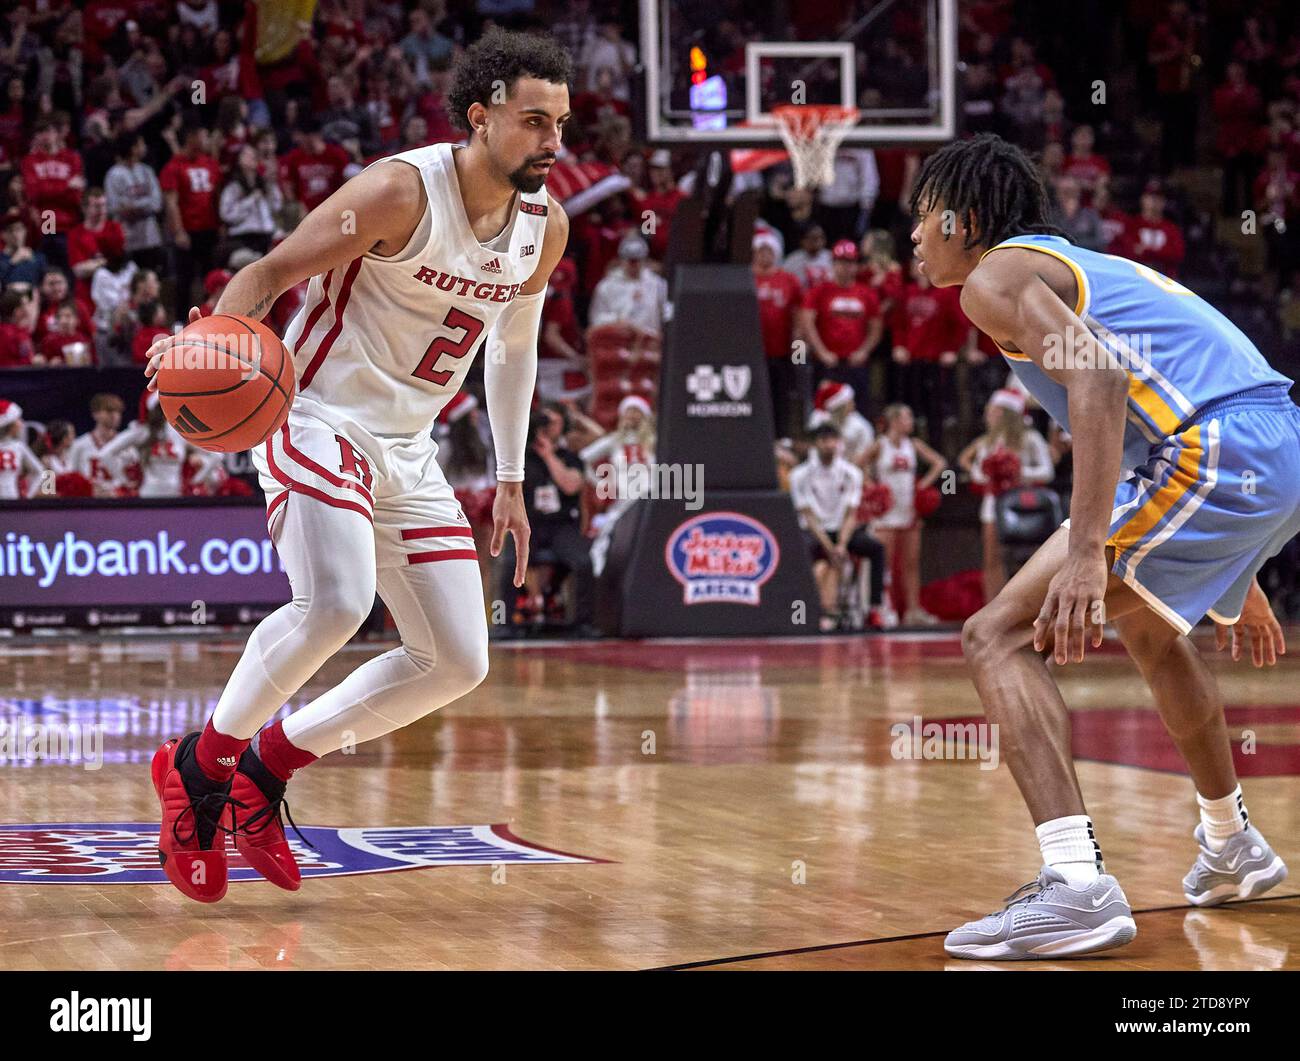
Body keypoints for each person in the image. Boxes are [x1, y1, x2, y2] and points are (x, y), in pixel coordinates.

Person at [141, 28, 573, 904]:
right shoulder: (397, 192)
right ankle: (200, 768)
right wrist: (202, 343)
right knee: (335, 601)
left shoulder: (545, 228)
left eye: (561, 123)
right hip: (315, 412)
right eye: (535, 122)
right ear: (481, 118)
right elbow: (266, 274)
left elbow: (513, 350)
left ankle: (266, 763)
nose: (554, 143)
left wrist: (513, 479)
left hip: (407, 449)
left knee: (457, 659)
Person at [910, 132, 1295, 960]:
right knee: (1153, 629)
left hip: (1212, 449)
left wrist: (1087, 550)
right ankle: (1231, 842)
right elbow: (1161, 389)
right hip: (1269, 443)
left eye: (922, 216)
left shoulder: (996, 276)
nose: (913, 236)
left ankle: (1074, 885)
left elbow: (1099, 382)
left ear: (965, 218)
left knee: (997, 635)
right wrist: (1239, 560)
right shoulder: (1078, 267)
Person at [495, 405, 594, 635]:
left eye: (554, 422)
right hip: (531, 525)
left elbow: (571, 485)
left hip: (561, 525)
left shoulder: (570, 457)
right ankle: (503, 623)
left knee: (583, 562)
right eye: (545, 422)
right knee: (507, 562)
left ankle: (583, 624)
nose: (548, 428)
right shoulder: (520, 459)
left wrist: (549, 455)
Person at [957, 388, 1054, 601]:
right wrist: (991, 475)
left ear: (1006, 413)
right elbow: (976, 471)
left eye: (993, 410)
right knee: (991, 557)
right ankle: (993, 605)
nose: (988, 415)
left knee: (1031, 558)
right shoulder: (989, 441)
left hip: (1023, 503)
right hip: (992, 503)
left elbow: (1047, 471)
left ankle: (1031, 605)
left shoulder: (1030, 437)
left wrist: (1018, 474)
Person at [790, 422, 888, 632]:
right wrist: (828, 546)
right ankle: (801, 611)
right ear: (815, 444)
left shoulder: (851, 473)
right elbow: (808, 515)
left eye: (834, 440)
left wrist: (842, 544)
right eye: (825, 441)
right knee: (800, 553)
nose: (830, 445)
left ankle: (874, 608)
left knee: (876, 548)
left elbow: (851, 514)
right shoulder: (799, 475)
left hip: (842, 530)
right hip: (815, 531)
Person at [864, 404, 947, 625]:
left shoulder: (914, 444)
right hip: (886, 514)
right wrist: (873, 488)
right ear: (894, 421)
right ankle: (884, 608)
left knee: (911, 563)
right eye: (906, 417)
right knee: (885, 565)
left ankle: (913, 610)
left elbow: (940, 463)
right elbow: (857, 465)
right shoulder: (880, 445)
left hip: (909, 511)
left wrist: (922, 486)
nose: (911, 421)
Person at [580, 393, 654, 578]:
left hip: (649, 502)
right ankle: (600, 583)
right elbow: (582, 460)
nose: (632, 416)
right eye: (628, 411)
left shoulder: (654, 442)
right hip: (622, 502)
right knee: (602, 544)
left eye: (636, 411)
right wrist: (601, 484)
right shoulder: (614, 441)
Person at [99, 393, 225, 498]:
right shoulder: (143, 432)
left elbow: (105, 454)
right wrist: (124, 482)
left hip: (169, 496)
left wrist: (195, 482)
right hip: (152, 496)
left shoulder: (176, 433)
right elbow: (217, 455)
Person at [752, 229, 806, 439]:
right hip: (754, 352)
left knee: (781, 394)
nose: (765, 255)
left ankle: (782, 435)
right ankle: (756, 436)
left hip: (782, 350)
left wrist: (798, 344)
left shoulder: (789, 280)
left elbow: (799, 311)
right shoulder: (747, 277)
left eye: (769, 250)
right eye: (761, 250)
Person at [68, 392, 126, 496]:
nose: (115, 416)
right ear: (95, 414)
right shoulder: (79, 445)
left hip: (119, 502)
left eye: (118, 412)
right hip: (88, 502)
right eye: (109, 411)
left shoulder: (127, 445)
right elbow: (70, 476)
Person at [0, 399, 43, 499]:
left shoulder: (18, 447)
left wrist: (27, 496)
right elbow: (39, 471)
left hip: (11, 501)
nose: (22, 423)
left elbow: (39, 471)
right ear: (9, 424)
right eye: (18, 419)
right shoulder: (18, 447)